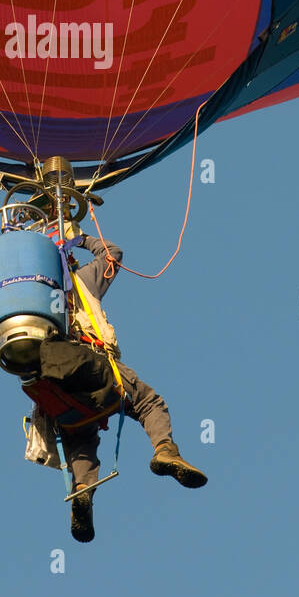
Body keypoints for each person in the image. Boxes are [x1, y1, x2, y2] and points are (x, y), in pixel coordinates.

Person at [54, 225, 208, 544]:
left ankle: (83, 490)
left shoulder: (31, 303)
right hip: (91, 361)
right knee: (147, 401)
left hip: (52, 384)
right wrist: (79, 237)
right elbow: (113, 254)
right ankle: (165, 451)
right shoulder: (81, 282)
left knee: (79, 432)